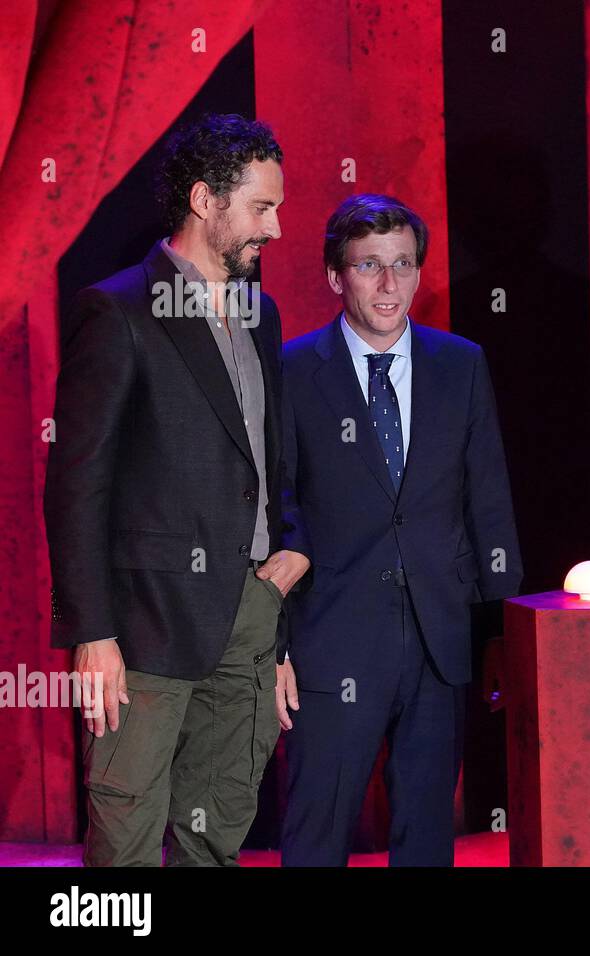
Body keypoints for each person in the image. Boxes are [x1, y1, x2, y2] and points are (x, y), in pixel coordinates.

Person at [46, 113, 297, 866]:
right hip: (145, 626)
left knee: (216, 830)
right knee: (124, 840)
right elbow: (76, 484)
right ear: (204, 201)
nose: (277, 228)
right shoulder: (116, 309)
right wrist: (91, 633)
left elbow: (271, 465)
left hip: (250, 616)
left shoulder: (262, 313)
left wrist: (280, 610)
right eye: (262, 207)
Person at [276, 193, 522, 866]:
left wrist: (499, 634)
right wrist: (275, 646)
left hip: (441, 645)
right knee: (317, 835)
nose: (390, 285)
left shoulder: (460, 363)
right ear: (335, 276)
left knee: (426, 839)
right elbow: (274, 511)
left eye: (404, 265)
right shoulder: (292, 372)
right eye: (369, 266)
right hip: (330, 645)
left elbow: (489, 503)